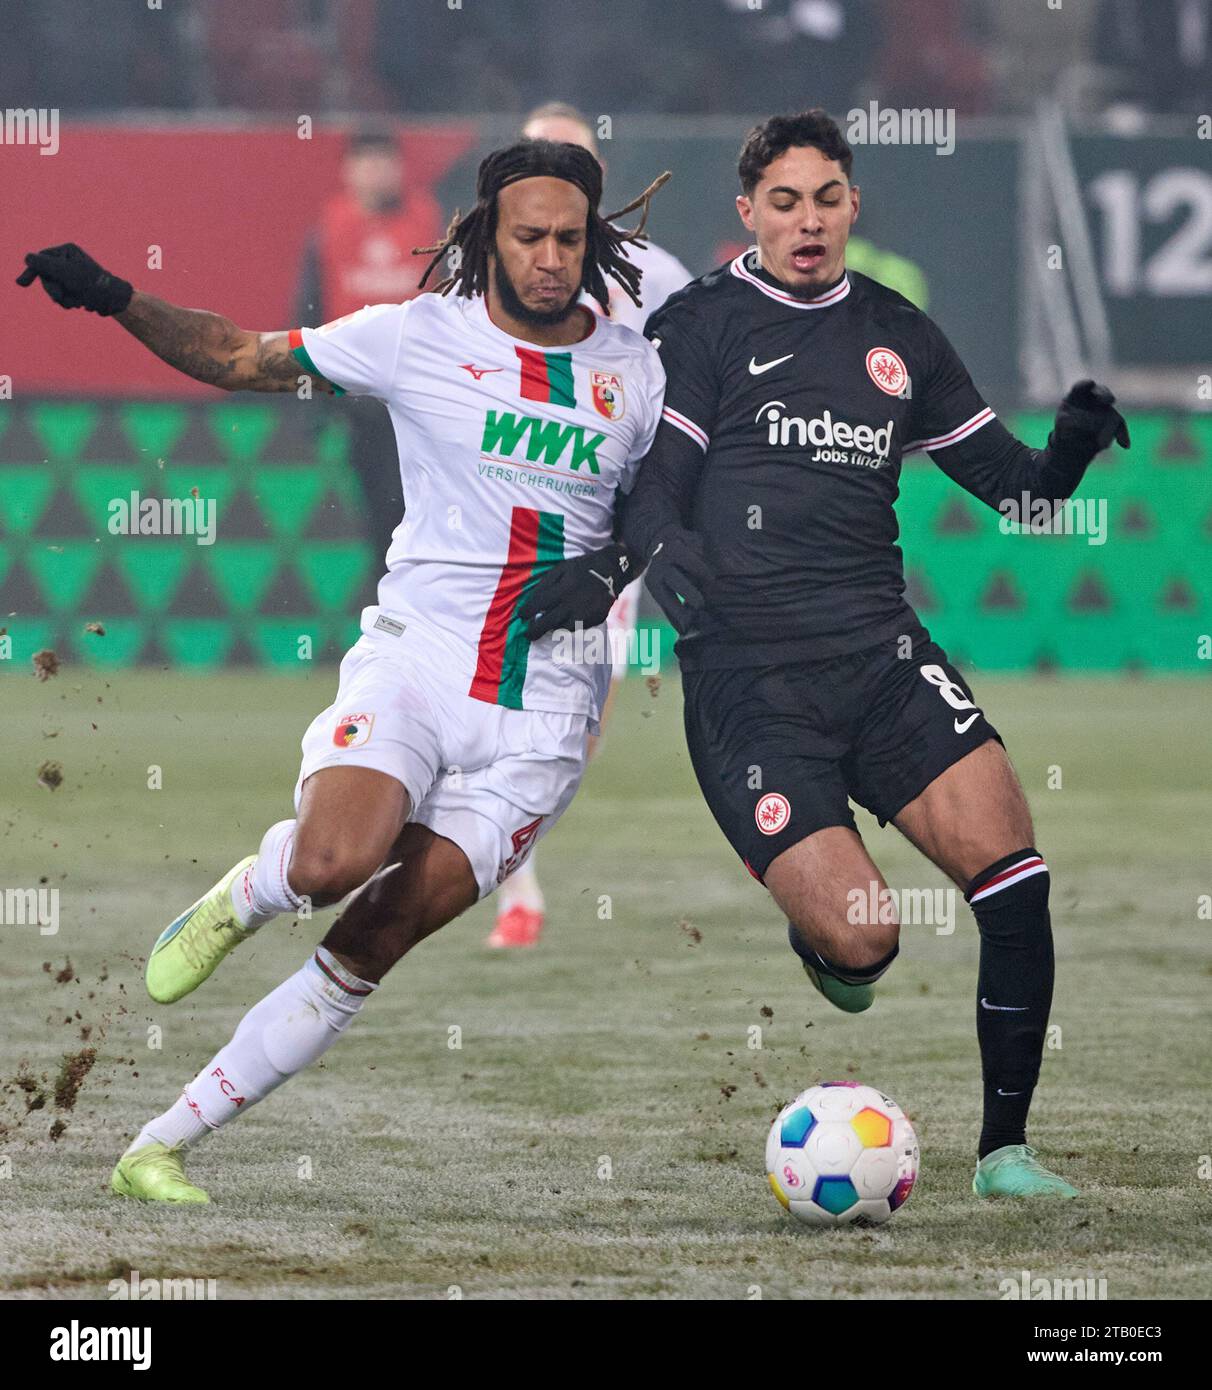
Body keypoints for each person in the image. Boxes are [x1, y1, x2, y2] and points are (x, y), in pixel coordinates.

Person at [17, 139, 667, 1204]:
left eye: (569, 238)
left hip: (545, 712)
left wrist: (612, 565)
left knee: (377, 933)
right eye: (529, 236)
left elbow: (668, 503)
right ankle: (253, 886)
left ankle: (157, 1146)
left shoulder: (637, 368)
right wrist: (116, 297)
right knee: (331, 865)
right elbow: (239, 356)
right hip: (417, 661)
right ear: (485, 238)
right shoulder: (415, 336)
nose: (551, 258)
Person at [620, 110, 1130, 1200]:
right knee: (865, 940)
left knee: (1017, 878)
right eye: (786, 202)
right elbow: (657, 482)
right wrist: (668, 556)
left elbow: (1016, 490)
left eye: (829, 199)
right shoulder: (703, 324)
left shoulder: (900, 334)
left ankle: (1004, 1153)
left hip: (882, 660)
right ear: (748, 213)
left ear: (856, 206)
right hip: (751, 685)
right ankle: (837, 951)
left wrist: (1072, 450)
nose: (809, 223)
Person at [487, 101, 693, 949]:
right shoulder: (486, 268)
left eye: (572, 157)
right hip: (504, 507)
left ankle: (504, 859)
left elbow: (688, 395)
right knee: (480, 686)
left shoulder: (657, 275)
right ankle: (500, 873)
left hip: (611, 532)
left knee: (575, 718)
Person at [295, 127, 444, 580]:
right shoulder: (329, 232)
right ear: (348, 172)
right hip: (362, 404)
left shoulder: (431, 225)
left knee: (427, 511)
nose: (377, 172)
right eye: (367, 163)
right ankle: (390, 610)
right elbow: (309, 310)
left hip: (424, 400)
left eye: (385, 162)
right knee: (380, 512)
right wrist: (311, 398)